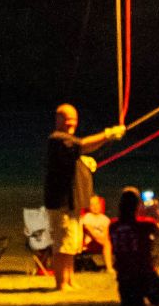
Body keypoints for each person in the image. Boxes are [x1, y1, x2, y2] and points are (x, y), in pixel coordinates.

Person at [43, 103, 123, 291]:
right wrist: (107, 134)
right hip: (62, 202)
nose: (72, 123)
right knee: (63, 244)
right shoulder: (57, 139)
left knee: (72, 243)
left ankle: (70, 279)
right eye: (67, 119)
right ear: (58, 120)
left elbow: (83, 148)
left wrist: (87, 159)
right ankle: (61, 283)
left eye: (74, 119)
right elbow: (83, 145)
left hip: (73, 203)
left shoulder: (68, 143)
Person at [108, 187, 159, 306]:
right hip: (146, 274)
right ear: (138, 204)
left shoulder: (113, 225)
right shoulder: (145, 224)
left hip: (125, 278)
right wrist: (156, 211)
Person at [79, 194, 112, 271]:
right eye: (92, 205)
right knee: (106, 243)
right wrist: (99, 237)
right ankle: (109, 267)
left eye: (97, 204)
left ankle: (111, 266)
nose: (95, 207)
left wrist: (103, 238)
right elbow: (89, 230)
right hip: (90, 240)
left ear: (100, 205)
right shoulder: (87, 217)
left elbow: (106, 233)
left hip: (102, 239)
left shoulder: (105, 219)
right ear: (89, 207)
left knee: (108, 242)